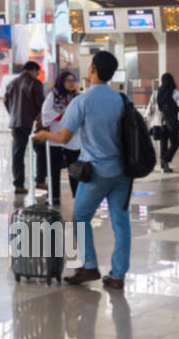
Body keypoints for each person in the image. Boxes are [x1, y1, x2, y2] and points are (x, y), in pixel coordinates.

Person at [33, 50, 131, 289]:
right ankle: (117, 275)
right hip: (123, 171)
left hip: (96, 171)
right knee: (121, 222)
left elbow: (64, 138)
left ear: (93, 70)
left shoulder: (82, 101)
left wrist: (45, 135)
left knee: (80, 218)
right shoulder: (122, 100)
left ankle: (89, 266)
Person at [3, 61, 45, 195]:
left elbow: (6, 101)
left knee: (17, 153)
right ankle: (40, 180)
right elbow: (41, 104)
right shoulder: (35, 83)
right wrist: (37, 118)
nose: (37, 75)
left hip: (16, 122)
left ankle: (19, 184)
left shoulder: (11, 83)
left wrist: (14, 114)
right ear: (33, 70)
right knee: (40, 150)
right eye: (37, 72)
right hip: (31, 122)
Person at [40, 70, 82, 202]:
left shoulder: (77, 97)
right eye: (68, 80)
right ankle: (54, 196)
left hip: (73, 138)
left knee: (75, 168)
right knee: (54, 169)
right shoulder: (53, 96)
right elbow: (46, 113)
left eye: (73, 80)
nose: (71, 83)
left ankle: (78, 195)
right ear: (61, 82)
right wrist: (62, 113)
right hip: (55, 138)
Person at [153, 72, 179, 173]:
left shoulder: (157, 93)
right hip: (172, 123)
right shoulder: (175, 93)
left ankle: (163, 165)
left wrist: (145, 118)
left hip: (160, 124)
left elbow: (151, 108)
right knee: (175, 143)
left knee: (163, 144)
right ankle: (165, 160)